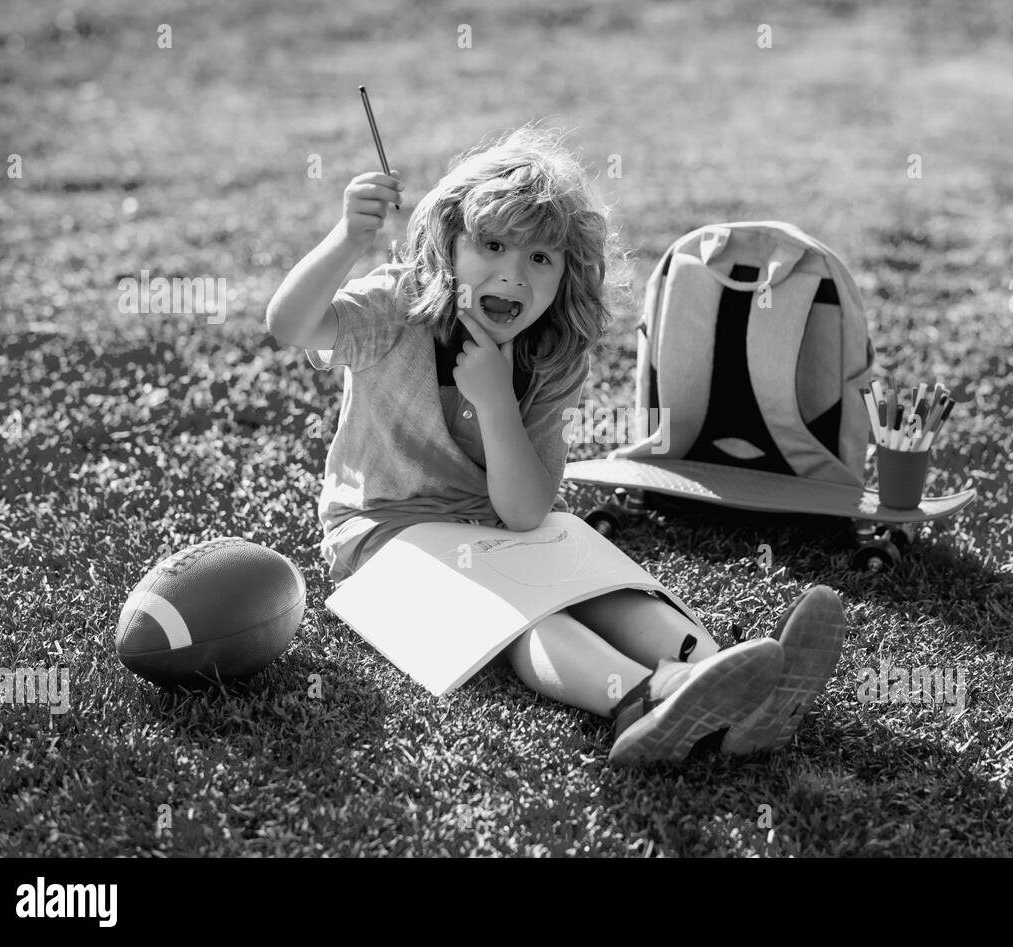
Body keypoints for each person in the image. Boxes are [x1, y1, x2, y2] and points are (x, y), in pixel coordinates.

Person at [266, 124, 846, 764]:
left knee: (606, 589)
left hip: (497, 525)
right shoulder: (392, 307)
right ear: (445, 244)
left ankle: (725, 675)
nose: (512, 277)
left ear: (568, 273)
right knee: (524, 616)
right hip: (381, 536)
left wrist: (495, 403)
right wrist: (348, 238)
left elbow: (524, 510)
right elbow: (288, 325)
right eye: (491, 246)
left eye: (539, 258)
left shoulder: (549, 354)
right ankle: (644, 699)